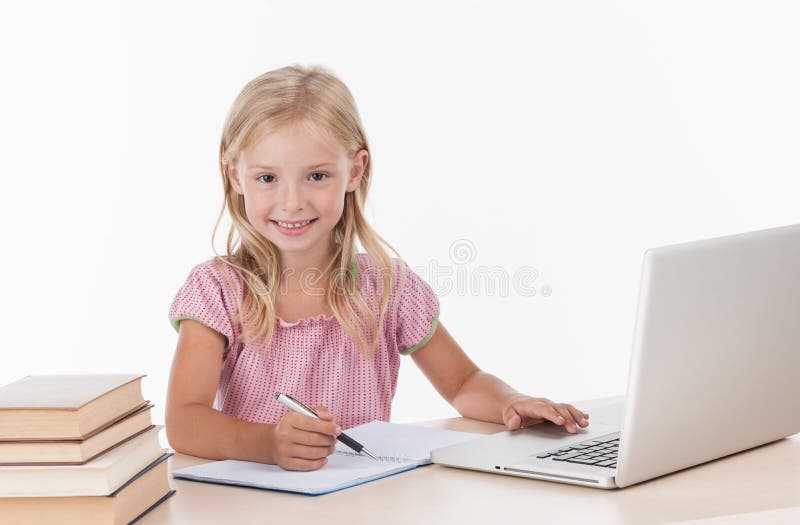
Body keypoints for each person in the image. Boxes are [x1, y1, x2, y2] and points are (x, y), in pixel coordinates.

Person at [165, 64, 590, 472]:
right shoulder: (216, 291)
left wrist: (510, 403)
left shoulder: (388, 286)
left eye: (316, 175)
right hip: (249, 509)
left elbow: (462, 382)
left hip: (364, 504)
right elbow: (185, 421)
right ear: (235, 175)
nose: (292, 201)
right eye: (267, 178)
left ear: (355, 170)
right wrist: (269, 445)